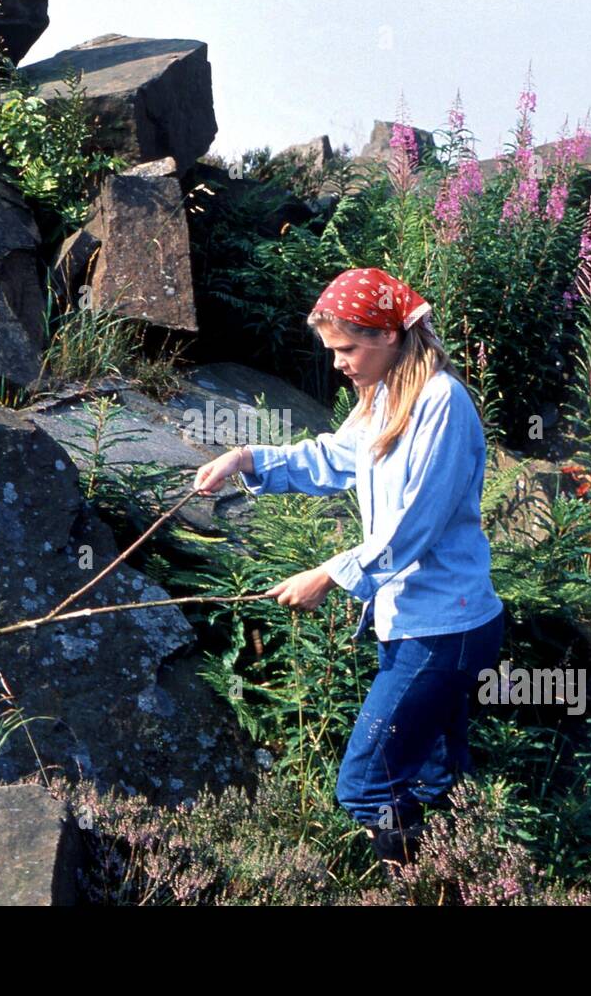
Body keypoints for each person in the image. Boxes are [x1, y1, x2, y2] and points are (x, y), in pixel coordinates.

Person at [192, 267, 505, 875]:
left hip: (444, 630)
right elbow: (332, 458)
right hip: (419, 624)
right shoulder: (386, 395)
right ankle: (465, 877)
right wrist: (248, 458)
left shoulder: (441, 403)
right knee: (437, 781)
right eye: (333, 350)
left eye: (347, 348)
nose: (338, 363)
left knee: (367, 783)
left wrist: (332, 574)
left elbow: (418, 523)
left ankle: (409, 884)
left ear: (388, 335)